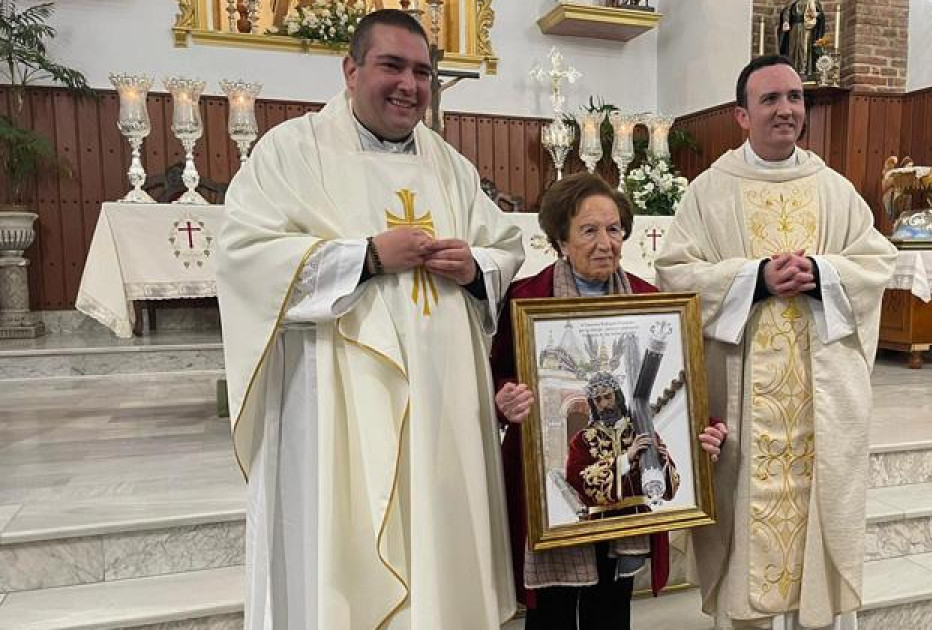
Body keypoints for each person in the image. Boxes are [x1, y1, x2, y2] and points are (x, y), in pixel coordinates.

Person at [214, 9, 524, 629]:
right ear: (351, 70)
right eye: (392, 66)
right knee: (344, 547)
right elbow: (244, 255)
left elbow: (508, 248)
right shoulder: (291, 152)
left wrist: (476, 267)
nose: (409, 84)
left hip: (444, 407)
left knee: (441, 553)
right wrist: (368, 256)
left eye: (421, 71)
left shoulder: (449, 165)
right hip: (335, 406)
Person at [654, 55, 897, 630]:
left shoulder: (834, 190)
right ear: (742, 114)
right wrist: (755, 279)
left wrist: (823, 273)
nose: (785, 109)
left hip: (819, 403)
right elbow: (674, 272)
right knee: (746, 541)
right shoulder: (709, 193)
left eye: (794, 97)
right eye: (769, 99)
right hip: (740, 404)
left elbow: (877, 262)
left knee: (811, 530)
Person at [490, 172, 728, 630]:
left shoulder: (651, 300)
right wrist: (506, 396)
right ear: (560, 237)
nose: (606, 242)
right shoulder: (526, 297)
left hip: (630, 486)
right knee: (552, 614)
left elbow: (676, 385)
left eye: (615, 228)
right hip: (553, 481)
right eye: (589, 230)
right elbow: (496, 374)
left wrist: (705, 426)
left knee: (612, 607)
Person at [565, 371, 680, 519]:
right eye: (598, 400)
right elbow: (575, 477)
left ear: (618, 397)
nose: (604, 404)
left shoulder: (640, 429)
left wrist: (662, 462)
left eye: (608, 397)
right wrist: (625, 460)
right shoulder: (582, 440)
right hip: (602, 521)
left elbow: (671, 486)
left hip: (641, 518)